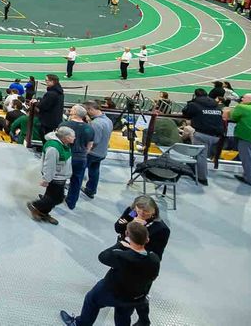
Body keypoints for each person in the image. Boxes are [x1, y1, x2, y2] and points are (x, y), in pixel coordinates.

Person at [60, 221, 161, 326]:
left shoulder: (122, 256)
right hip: (134, 296)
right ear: (147, 239)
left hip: (111, 291)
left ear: (127, 234)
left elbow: (102, 256)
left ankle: (79, 324)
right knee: (123, 316)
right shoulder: (154, 258)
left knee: (91, 300)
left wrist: (120, 244)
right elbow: (153, 277)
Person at [108, 196, 170, 324]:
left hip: (139, 268)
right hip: (123, 257)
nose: (141, 213)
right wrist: (129, 225)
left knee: (127, 306)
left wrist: (139, 232)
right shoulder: (132, 213)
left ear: (154, 211)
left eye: (146, 211)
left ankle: (141, 318)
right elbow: (118, 227)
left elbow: (156, 256)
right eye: (139, 209)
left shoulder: (160, 229)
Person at [26, 126, 75, 225]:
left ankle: (42, 212)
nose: (74, 138)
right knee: (56, 198)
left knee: (54, 197)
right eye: (72, 136)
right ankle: (36, 206)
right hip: (55, 177)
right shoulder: (53, 148)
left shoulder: (63, 144)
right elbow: (49, 165)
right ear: (65, 137)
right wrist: (46, 179)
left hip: (60, 176)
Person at [62, 104, 95, 209]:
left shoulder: (64, 125)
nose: (70, 111)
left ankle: (56, 197)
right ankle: (71, 202)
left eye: (71, 110)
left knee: (59, 178)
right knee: (77, 180)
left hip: (65, 156)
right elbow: (89, 146)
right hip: (81, 158)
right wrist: (83, 154)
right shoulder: (90, 128)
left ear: (74, 113)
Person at [82, 101, 113, 199]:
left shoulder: (96, 123)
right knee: (94, 171)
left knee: (79, 170)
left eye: (86, 111)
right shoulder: (108, 120)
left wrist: (86, 151)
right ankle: (90, 190)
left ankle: (74, 186)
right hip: (102, 152)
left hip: (93, 153)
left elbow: (94, 141)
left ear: (90, 109)